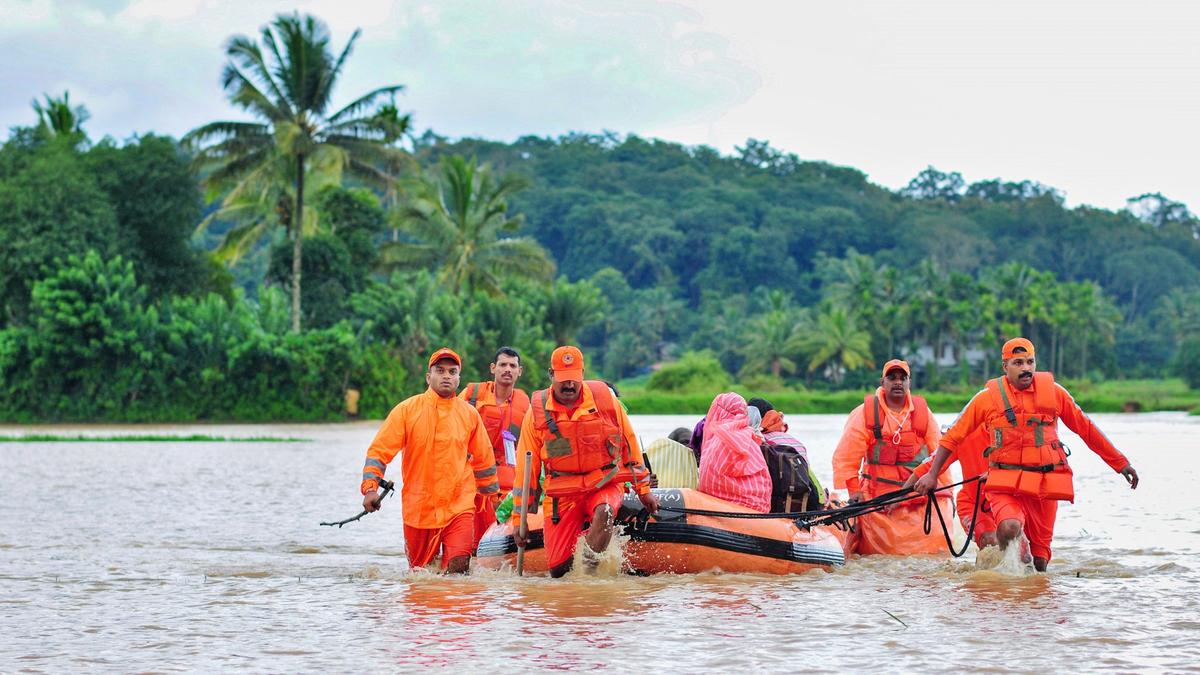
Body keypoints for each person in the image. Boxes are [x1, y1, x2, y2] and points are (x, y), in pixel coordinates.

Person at [912, 338, 1139, 571]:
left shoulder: (1055, 394)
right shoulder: (985, 399)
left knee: (1040, 564)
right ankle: (1003, 576)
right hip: (1005, 483)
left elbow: (1086, 428)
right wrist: (929, 475)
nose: (1026, 368)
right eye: (1018, 363)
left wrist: (1120, 463)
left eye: (1030, 362)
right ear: (1005, 367)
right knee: (1009, 528)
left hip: (1044, 485)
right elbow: (951, 438)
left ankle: (1023, 584)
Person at [512, 346, 657, 578]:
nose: (569, 385)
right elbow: (525, 470)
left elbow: (630, 446)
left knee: (605, 511)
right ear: (551, 375)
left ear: (582, 374)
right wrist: (519, 519)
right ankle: (575, 577)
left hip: (603, 483)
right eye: (563, 380)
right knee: (558, 571)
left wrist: (644, 489)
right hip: (563, 494)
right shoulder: (536, 414)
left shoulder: (605, 402)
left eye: (574, 379)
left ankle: (587, 577)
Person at [359, 347, 500, 574]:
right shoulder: (406, 411)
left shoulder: (469, 414)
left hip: (459, 506)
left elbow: (484, 463)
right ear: (428, 376)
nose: (447, 376)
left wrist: (493, 503)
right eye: (440, 370)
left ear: (458, 378)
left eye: (452, 372)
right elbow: (379, 452)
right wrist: (370, 489)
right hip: (419, 509)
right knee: (421, 576)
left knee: (458, 569)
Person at [832, 359, 952, 555]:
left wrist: (947, 493)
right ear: (882, 382)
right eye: (892, 378)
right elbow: (845, 456)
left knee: (936, 537)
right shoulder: (864, 413)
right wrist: (854, 491)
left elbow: (941, 455)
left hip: (918, 496)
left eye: (902, 378)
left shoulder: (924, 414)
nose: (898, 382)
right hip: (878, 497)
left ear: (909, 382)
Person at [459, 346, 530, 549]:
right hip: (470, 480)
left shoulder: (525, 404)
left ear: (519, 371)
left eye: (512, 365)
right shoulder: (471, 395)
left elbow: (534, 444)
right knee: (468, 541)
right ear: (493, 368)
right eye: (503, 365)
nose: (507, 369)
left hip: (506, 483)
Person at [910, 426, 999, 549]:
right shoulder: (963, 434)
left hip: (1012, 502)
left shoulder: (1020, 433)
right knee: (990, 541)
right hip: (972, 503)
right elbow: (928, 466)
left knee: (1024, 552)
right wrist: (901, 494)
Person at [696, 392, 772, 513]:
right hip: (757, 508)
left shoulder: (716, 440)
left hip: (720, 508)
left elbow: (708, 481)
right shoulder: (748, 437)